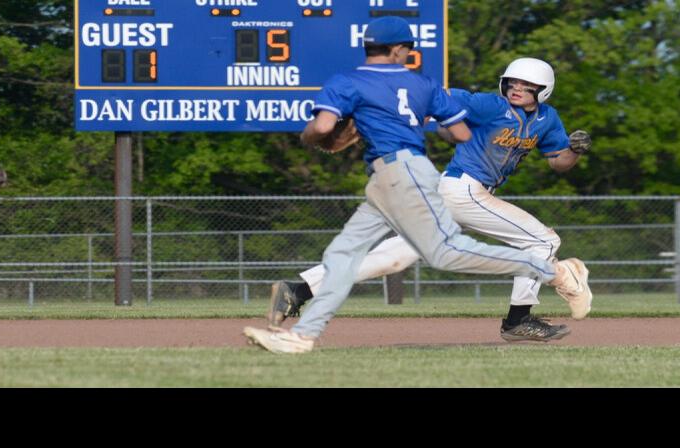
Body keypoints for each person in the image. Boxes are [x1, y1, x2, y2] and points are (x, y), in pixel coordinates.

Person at [243, 17, 591, 354]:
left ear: (542, 91)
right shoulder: (489, 104)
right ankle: (519, 320)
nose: (516, 88)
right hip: (463, 190)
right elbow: (439, 100)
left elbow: (558, 162)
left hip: (456, 196)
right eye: (512, 82)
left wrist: (574, 151)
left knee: (393, 258)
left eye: (526, 86)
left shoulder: (548, 119)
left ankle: (298, 290)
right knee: (543, 240)